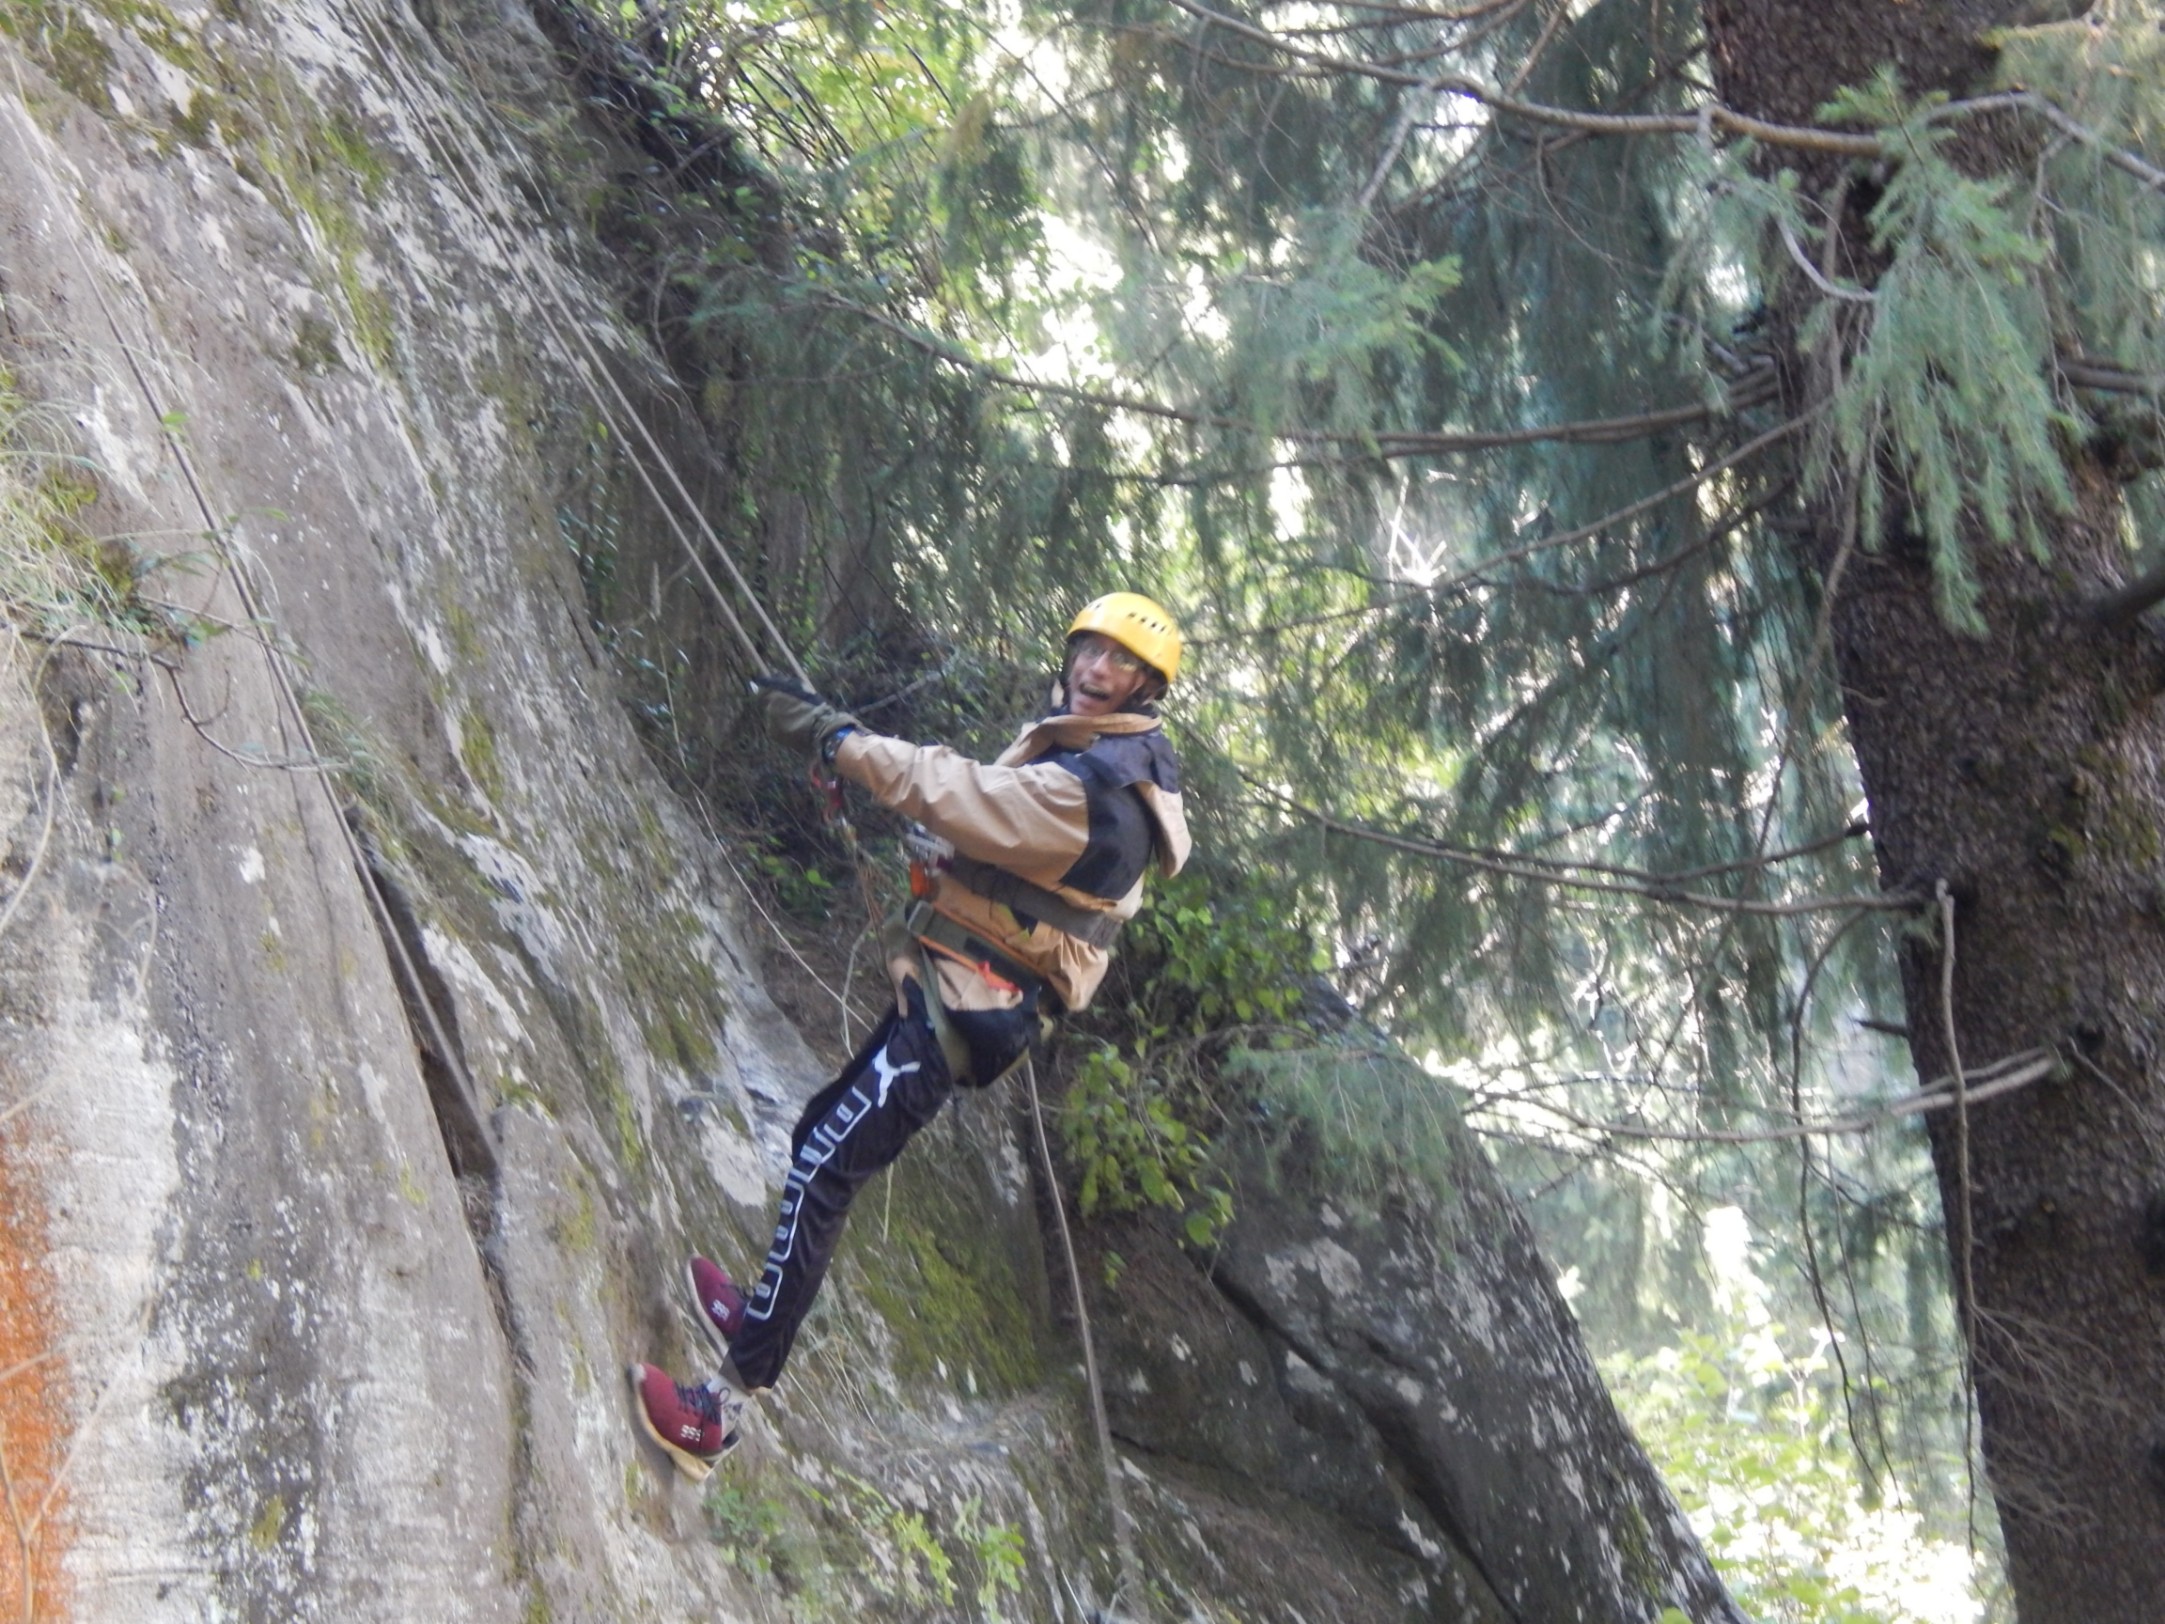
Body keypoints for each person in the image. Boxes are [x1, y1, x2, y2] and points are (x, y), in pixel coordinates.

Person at [629, 593, 1191, 1479]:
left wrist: (838, 741)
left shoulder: (1095, 792)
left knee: (824, 1168)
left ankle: (720, 1412)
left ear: (1146, 688)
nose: (1094, 669)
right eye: (1088, 649)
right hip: (952, 988)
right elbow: (1007, 857)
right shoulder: (1098, 760)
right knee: (818, 1140)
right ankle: (760, 1314)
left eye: (1119, 663)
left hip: (963, 1011)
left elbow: (955, 789)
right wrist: (948, 869)